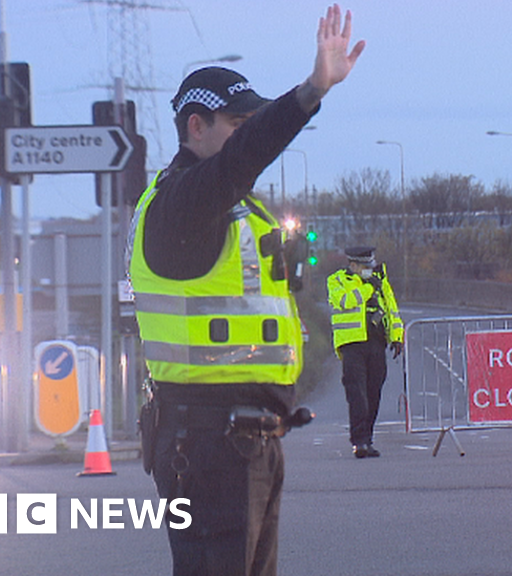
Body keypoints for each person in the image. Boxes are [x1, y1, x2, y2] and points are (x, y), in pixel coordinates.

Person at [128, 5, 364, 576]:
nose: (247, 136)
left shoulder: (228, 209)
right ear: (196, 127)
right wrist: (311, 91)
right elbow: (241, 159)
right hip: (209, 445)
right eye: (237, 124)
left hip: (240, 439)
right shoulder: (182, 203)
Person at [326, 246, 404, 458]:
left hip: (376, 343)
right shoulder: (337, 280)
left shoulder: (380, 281)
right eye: (364, 266)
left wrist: (397, 337)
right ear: (353, 265)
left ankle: (368, 439)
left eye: (370, 265)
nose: (369, 270)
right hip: (352, 344)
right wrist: (368, 288)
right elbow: (344, 301)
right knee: (357, 393)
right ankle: (359, 441)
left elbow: (391, 309)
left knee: (373, 393)